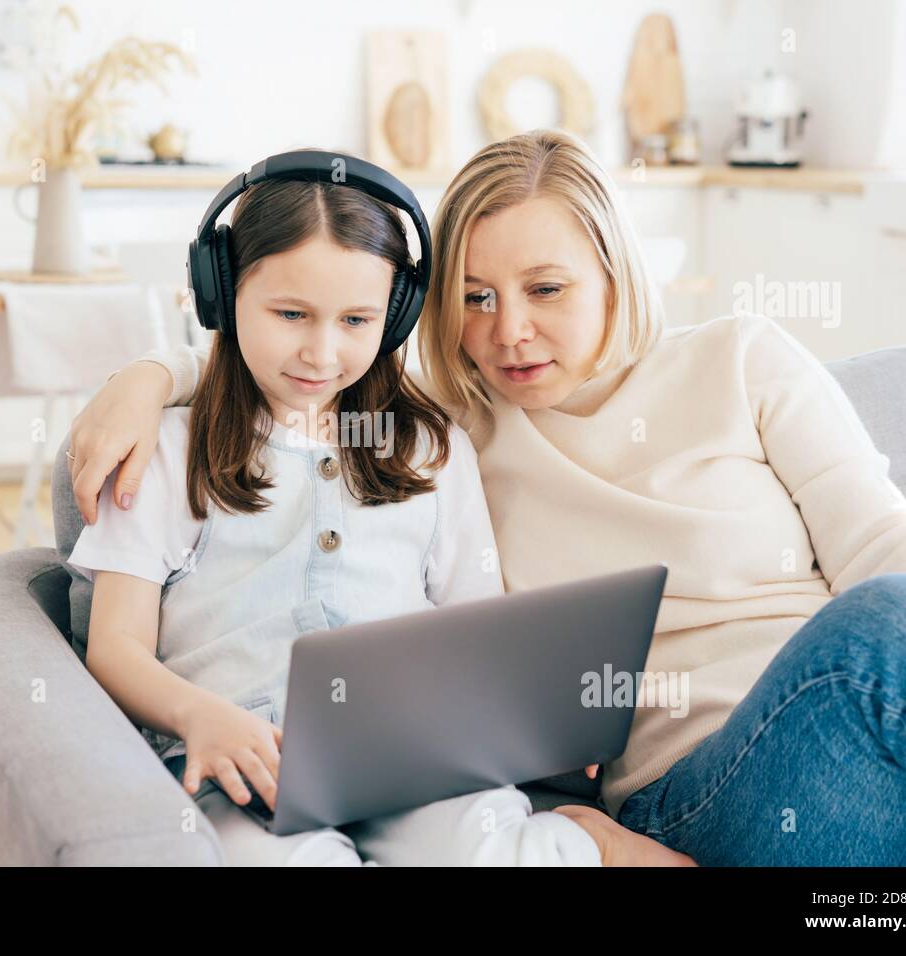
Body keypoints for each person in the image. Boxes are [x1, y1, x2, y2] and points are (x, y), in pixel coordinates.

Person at [70, 130, 906, 866]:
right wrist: (155, 373)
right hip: (707, 798)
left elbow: (886, 541)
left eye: (546, 288)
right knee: (887, 633)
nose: (508, 332)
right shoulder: (458, 433)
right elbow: (307, 373)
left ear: (613, 270)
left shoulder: (741, 360)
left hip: (887, 767)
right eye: (473, 298)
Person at [65, 150, 693, 866]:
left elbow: (477, 631)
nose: (321, 351)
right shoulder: (166, 451)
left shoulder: (431, 448)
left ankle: (576, 842)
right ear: (221, 292)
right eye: (290, 313)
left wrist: (530, 724)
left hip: (417, 760)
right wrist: (197, 715)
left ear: (395, 317)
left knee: (490, 854)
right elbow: (113, 647)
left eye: (357, 319)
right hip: (244, 770)